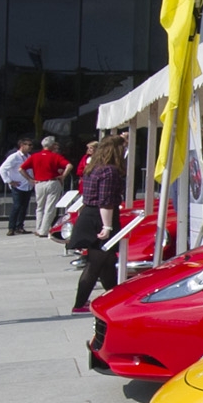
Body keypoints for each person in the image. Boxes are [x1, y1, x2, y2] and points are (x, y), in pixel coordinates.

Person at [71, 134, 127, 313]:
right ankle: (79, 304)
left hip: (89, 214)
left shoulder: (92, 167)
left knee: (107, 262)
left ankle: (116, 299)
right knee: (95, 263)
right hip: (100, 218)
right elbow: (106, 201)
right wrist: (107, 226)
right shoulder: (109, 171)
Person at [26, 135, 71, 228]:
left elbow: (21, 168)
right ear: (51, 145)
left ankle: (38, 227)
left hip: (39, 183)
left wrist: (30, 179)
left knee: (40, 207)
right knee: (50, 208)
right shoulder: (55, 156)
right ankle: (44, 229)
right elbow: (69, 165)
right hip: (52, 182)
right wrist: (63, 176)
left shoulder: (35, 156)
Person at [0, 137, 36, 234]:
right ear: (22, 145)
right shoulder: (14, 157)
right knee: (17, 206)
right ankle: (11, 227)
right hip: (18, 186)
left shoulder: (29, 156)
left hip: (27, 185)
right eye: (28, 145)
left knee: (24, 207)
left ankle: (20, 226)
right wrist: (9, 181)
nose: (30, 147)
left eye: (31, 145)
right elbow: (2, 169)